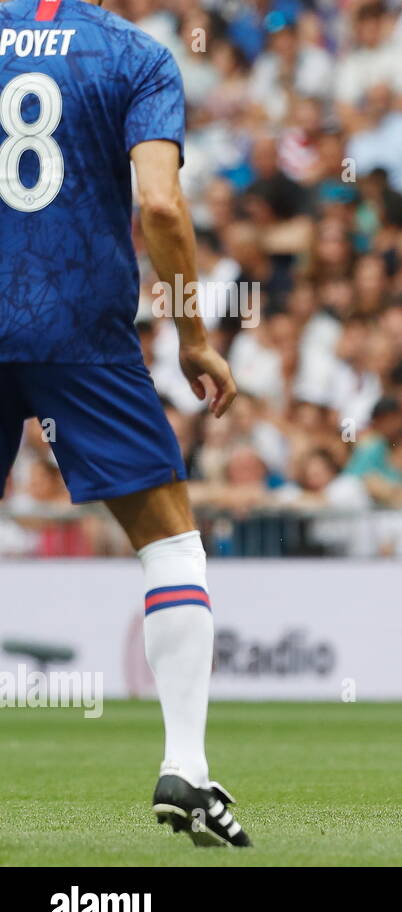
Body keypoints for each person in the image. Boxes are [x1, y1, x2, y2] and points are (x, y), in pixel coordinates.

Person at [0, 0, 248, 846]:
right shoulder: (133, 55)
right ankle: (186, 762)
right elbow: (164, 210)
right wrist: (193, 337)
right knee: (170, 541)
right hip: (78, 328)